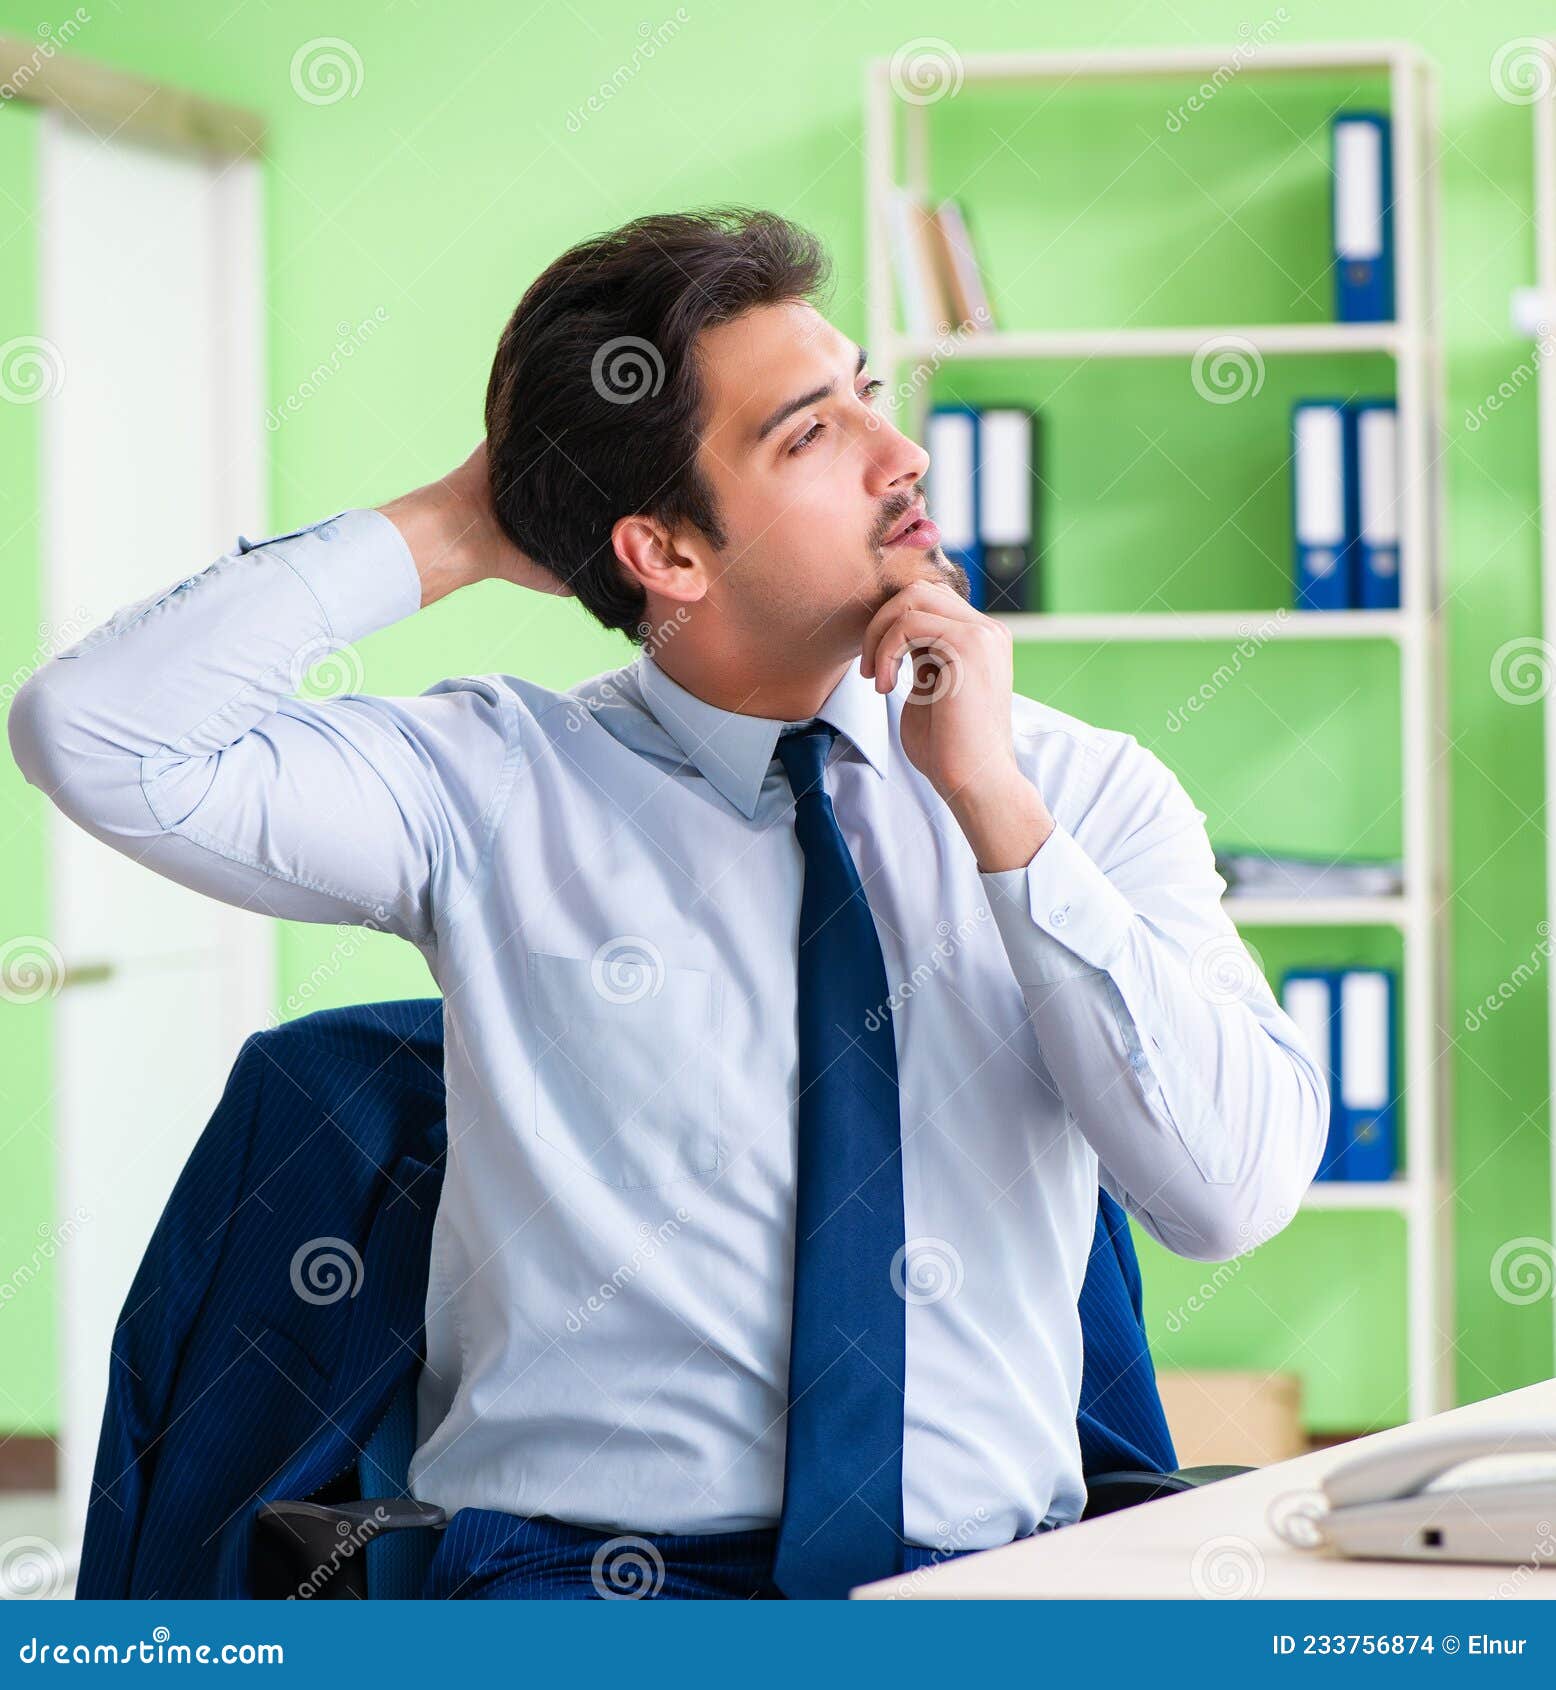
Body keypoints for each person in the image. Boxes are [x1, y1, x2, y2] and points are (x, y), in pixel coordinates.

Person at [9, 206, 1326, 1601]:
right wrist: (461, 523)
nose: (904, 456)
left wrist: (999, 819)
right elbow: (97, 734)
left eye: (867, 393)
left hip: (982, 1578)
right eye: (811, 435)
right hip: (575, 1588)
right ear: (667, 553)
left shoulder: (1077, 792)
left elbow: (1231, 1195)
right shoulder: (495, 786)